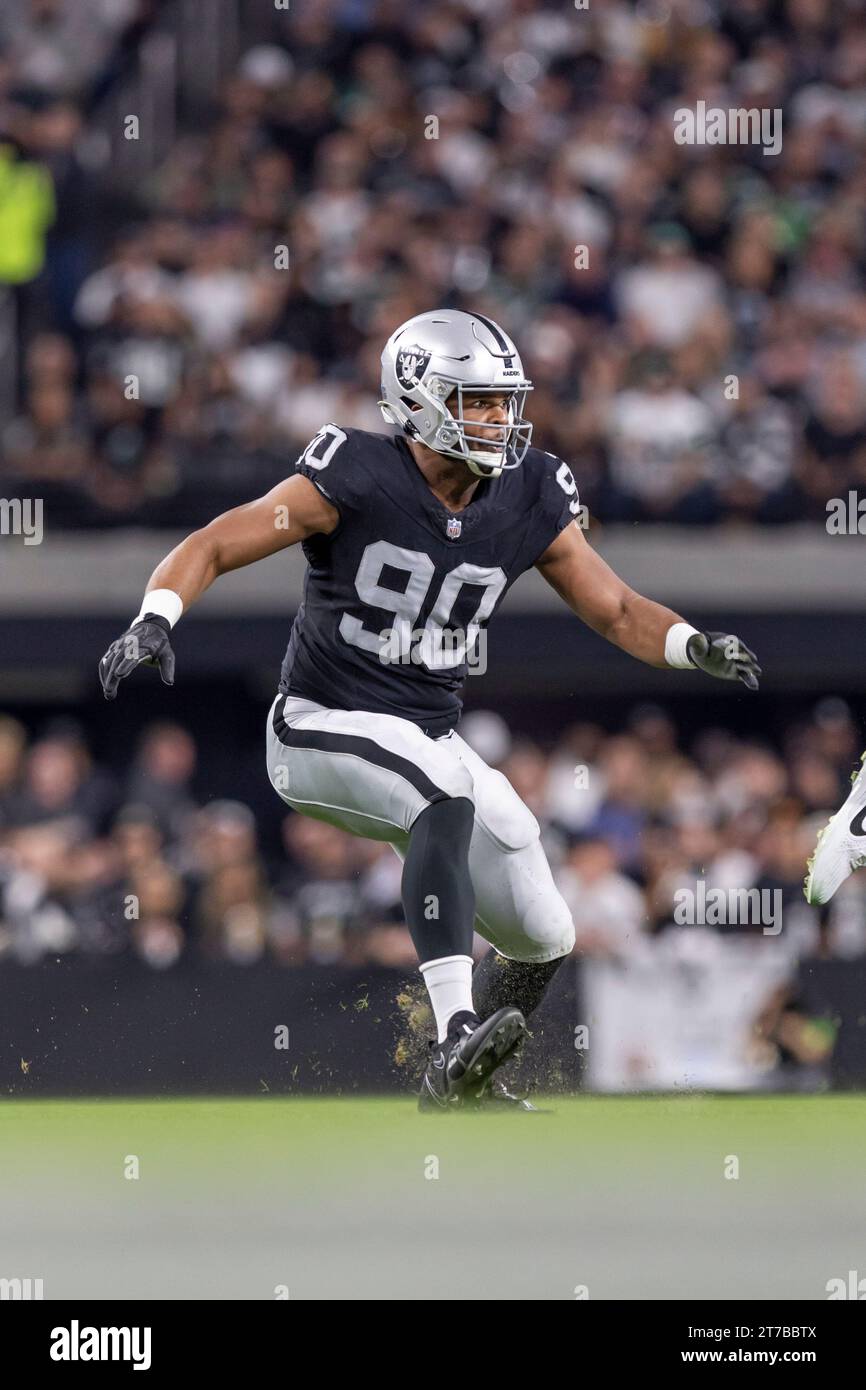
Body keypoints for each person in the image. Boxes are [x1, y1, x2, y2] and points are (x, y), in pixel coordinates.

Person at [98, 308, 761, 1110]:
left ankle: (472, 1086)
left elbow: (616, 609)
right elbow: (214, 541)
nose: (499, 420)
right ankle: (452, 1040)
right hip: (316, 725)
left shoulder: (531, 491)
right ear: (417, 399)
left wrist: (693, 644)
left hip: (430, 734)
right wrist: (156, 616)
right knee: (437, 796)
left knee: (544, 929)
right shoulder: (354, 471)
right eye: (477, 401)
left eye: (504, 401)